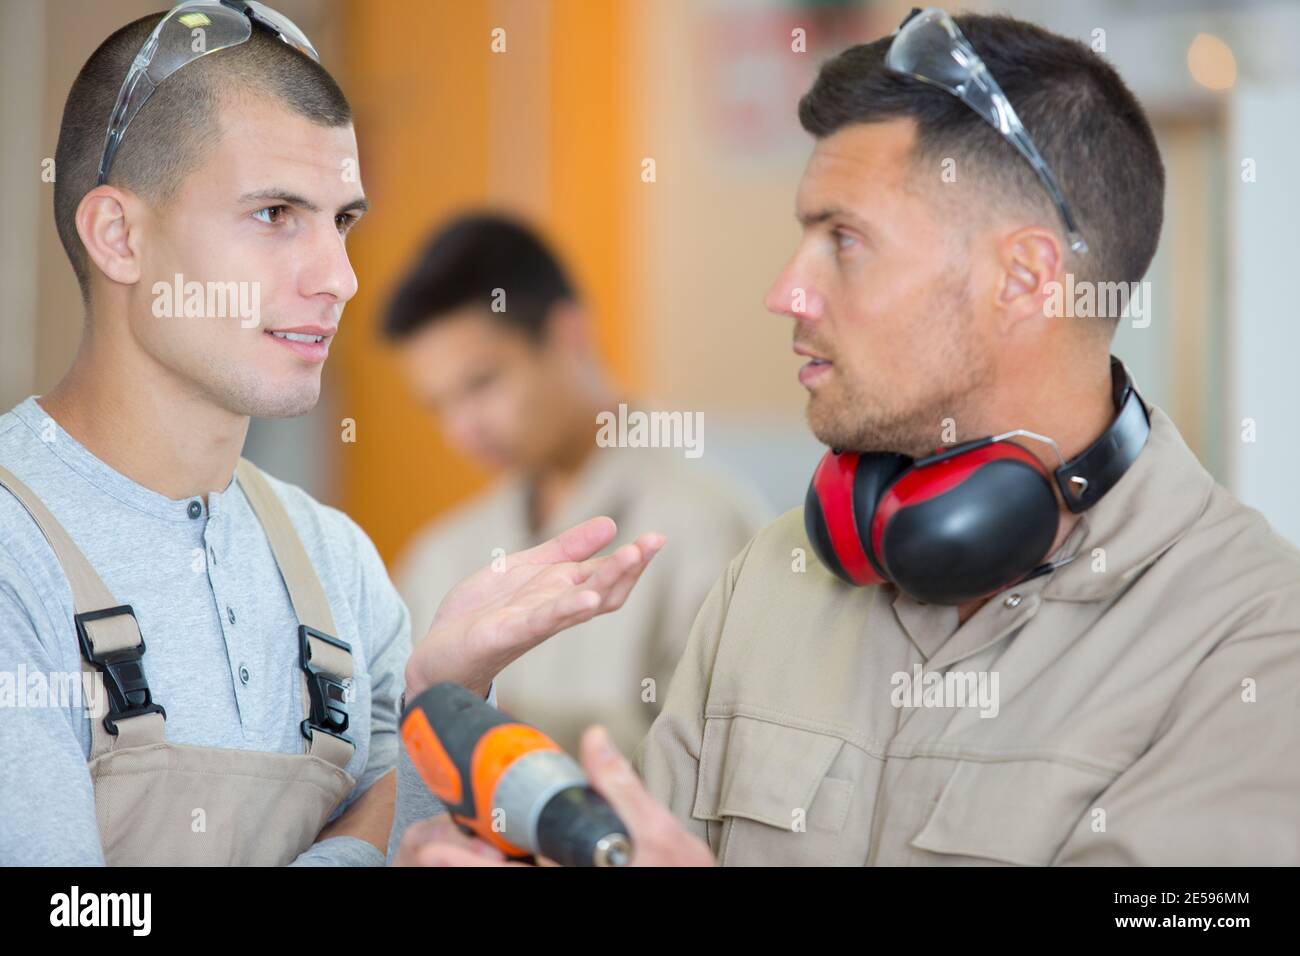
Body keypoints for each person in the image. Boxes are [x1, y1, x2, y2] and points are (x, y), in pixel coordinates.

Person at [404, 11, 1300, 867]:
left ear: (1025, 278)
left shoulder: (1254, 642)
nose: (787, 291)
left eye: (844, 240)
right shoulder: (774, 576)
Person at [0, 1, 660, 866]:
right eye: (275, 214)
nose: (340, 277)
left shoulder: (335, 565)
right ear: (119, 237)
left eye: (342, 219)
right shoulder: (15, 555)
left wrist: (442, 693)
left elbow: (417, 844)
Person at [383, 214, 766, 756]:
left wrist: (511, 734)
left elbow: (723, 761)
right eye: (439, 405)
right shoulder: (444, 553)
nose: (461, 431)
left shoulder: (708, 524)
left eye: (481, 384)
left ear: (566, 333)